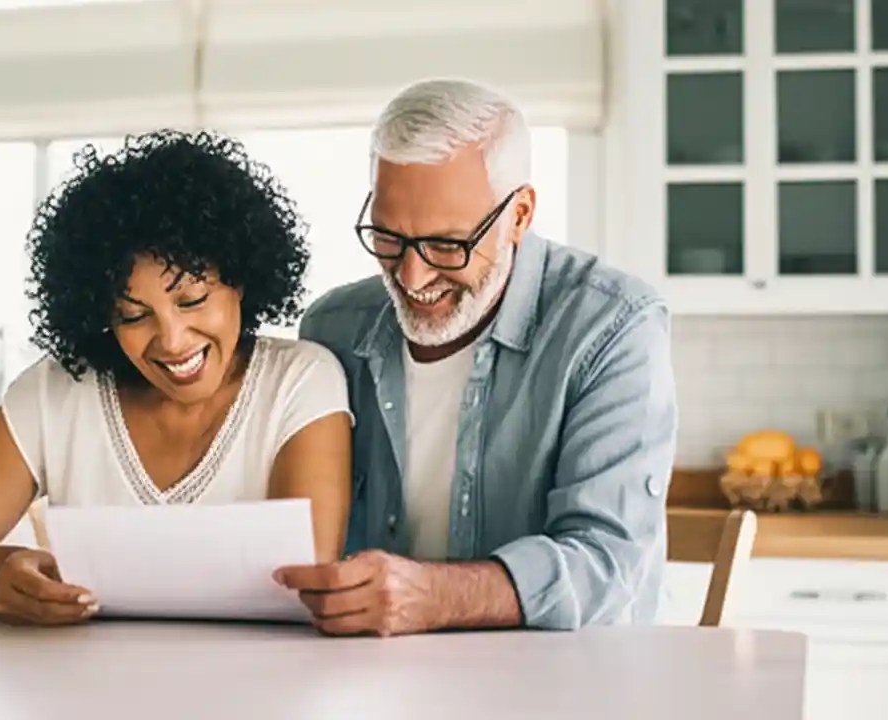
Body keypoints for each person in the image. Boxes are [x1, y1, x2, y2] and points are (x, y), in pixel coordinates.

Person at [0, 130, 353, 625]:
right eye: (134, 316)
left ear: (241, 279)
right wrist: (2, 572)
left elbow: (302, 573)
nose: (172, 340)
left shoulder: (300, 381)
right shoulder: (57, 393)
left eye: (192, 301)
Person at [275, 79, 677, 635]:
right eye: (389, 238)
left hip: (568, 681)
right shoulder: (332, 329)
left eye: (447, 244)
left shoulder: (612, 326)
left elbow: (606, 565)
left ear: (519, 214)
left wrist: (434, 596)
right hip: (373, 675)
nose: (413, 277)